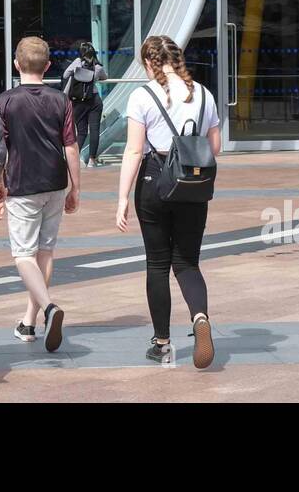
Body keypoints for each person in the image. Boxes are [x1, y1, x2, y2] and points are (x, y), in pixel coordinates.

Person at [116, 35, 221, 369]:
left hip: (154, 181)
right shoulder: (203, 93)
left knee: (157, 264)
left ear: (149, 63)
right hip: (194, 184)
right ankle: (200, 317)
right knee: (188, 262)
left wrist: (121, 199)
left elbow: (134, 150)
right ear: (178, 58)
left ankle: (162, 343)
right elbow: (214, 147)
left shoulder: (142, 95)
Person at [0, 36, 81, 352]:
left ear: (17, 64)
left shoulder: (4, 101)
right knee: (45, 251)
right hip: (55, 182)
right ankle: (29, 321)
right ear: (47, 66)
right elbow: (70, 146)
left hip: (22, 183)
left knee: (23, 254)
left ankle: (48, 308)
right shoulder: (61, 100)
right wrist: (75, 187)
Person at [63, 41, 108, 166]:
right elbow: (105, 77)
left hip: (78, 102)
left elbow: (65, 74)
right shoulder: (97, 67)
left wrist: (76, 72)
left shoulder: (77, 63)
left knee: (81, 131)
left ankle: (72, 159)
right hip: (94, 100)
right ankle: (92, 160)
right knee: (94, 130)